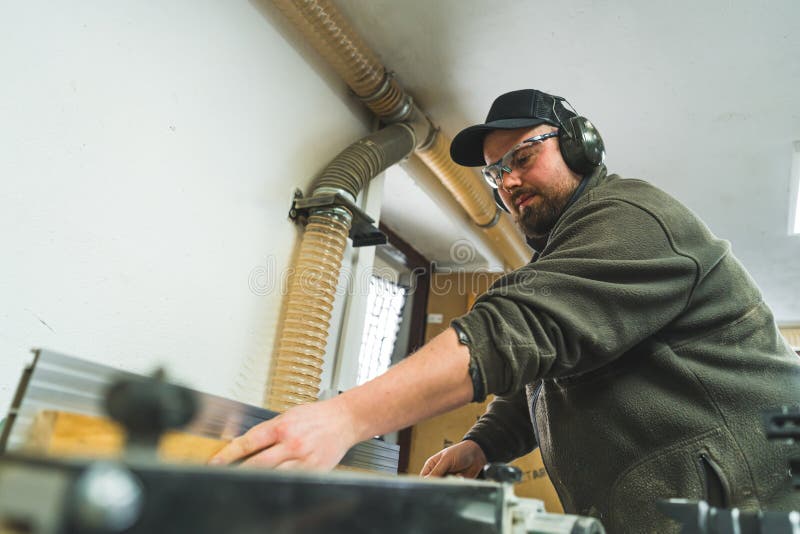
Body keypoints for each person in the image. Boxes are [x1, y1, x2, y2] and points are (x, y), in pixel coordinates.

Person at [211, 89, 800, 532]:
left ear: (578, 145)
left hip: (751, 506)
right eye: (495, 173)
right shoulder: (560, 261)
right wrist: (482, 444)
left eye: (521, 156)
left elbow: (514, 331)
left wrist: (341, 419)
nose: (507, 182)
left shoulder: (632, 218)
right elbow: (544, 380)